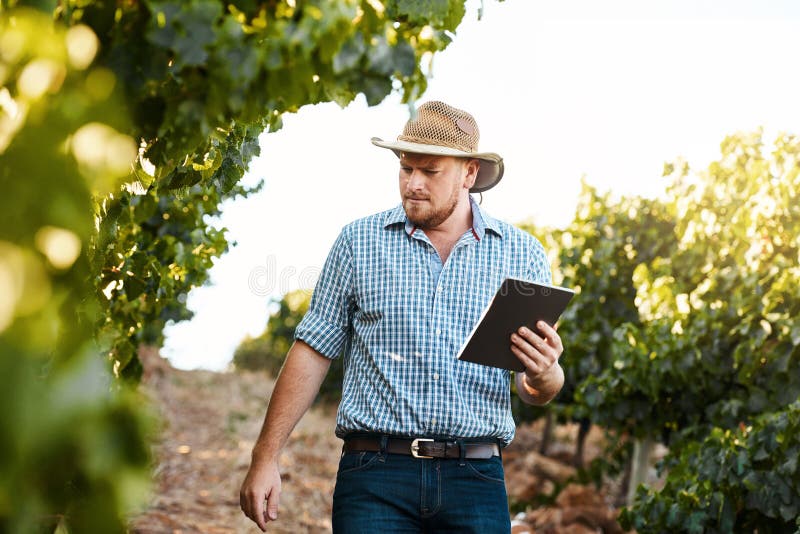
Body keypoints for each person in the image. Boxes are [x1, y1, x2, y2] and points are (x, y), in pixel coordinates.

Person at [240, 101, 564, 533]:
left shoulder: (521, 255)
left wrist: (545, 375)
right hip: (375, 474)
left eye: (430, 171)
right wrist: (266, 457)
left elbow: (535, 386)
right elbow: (312, 351)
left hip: (476, 480)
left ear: (468, 174)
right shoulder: (359, 242)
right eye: (405, 168)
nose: (413, 183)